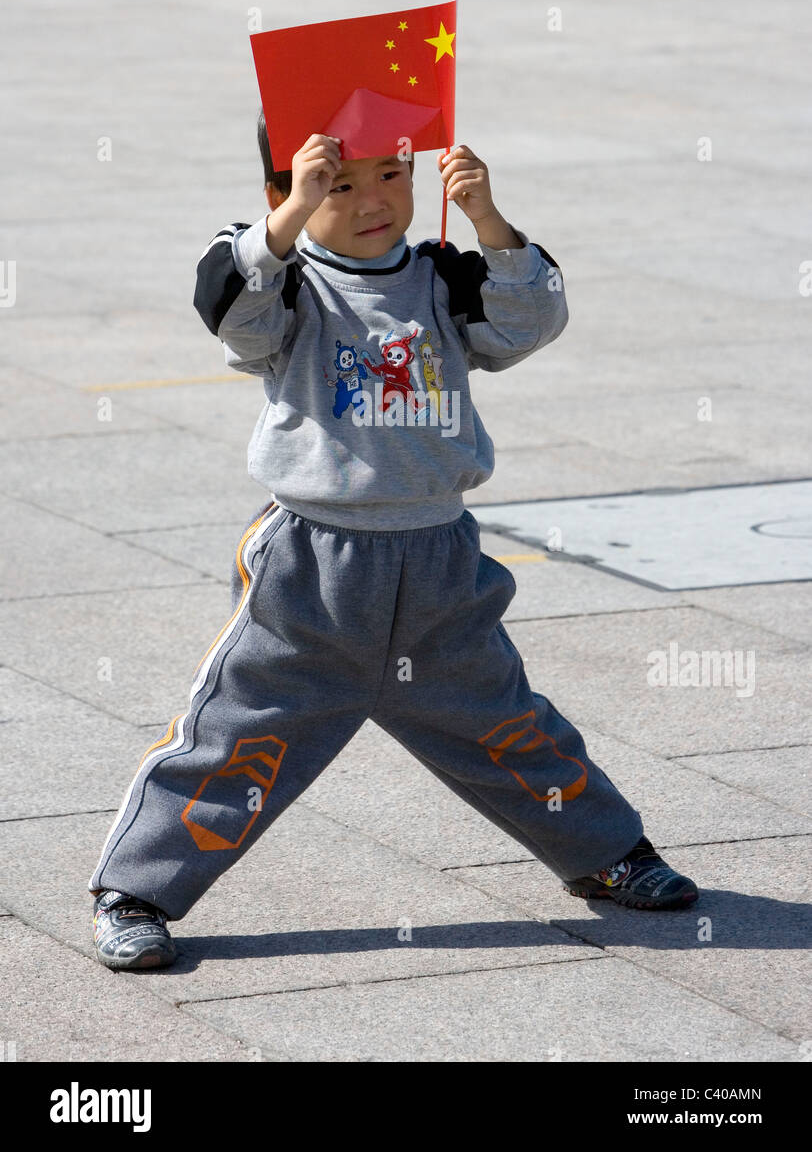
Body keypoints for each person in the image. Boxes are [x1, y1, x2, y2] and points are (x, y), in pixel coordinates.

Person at [89, 118, 698, 970]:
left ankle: (607, 855)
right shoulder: (287, 282)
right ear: (286, 192)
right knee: (239, 735)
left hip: (438, 561)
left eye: (391, 176)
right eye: (339, 184)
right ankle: (135, 893)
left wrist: (489, 222)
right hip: (313, 569)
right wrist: (290, 218)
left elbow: (529, 322)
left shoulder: (443, 278)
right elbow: (230, 306)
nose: (372, 202)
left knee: (505, 723)